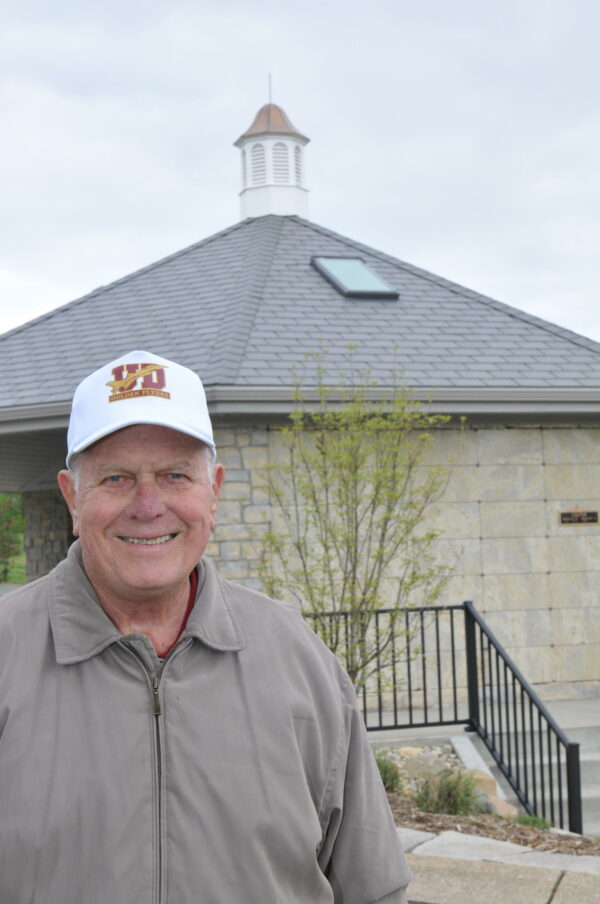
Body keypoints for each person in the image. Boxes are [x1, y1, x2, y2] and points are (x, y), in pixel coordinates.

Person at [0, 350, 412, 903]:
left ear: (213, 491)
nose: (148, 506)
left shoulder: (298, 660)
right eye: (117, 478)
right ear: (73, 498)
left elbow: (373, 890)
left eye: (175, 475)